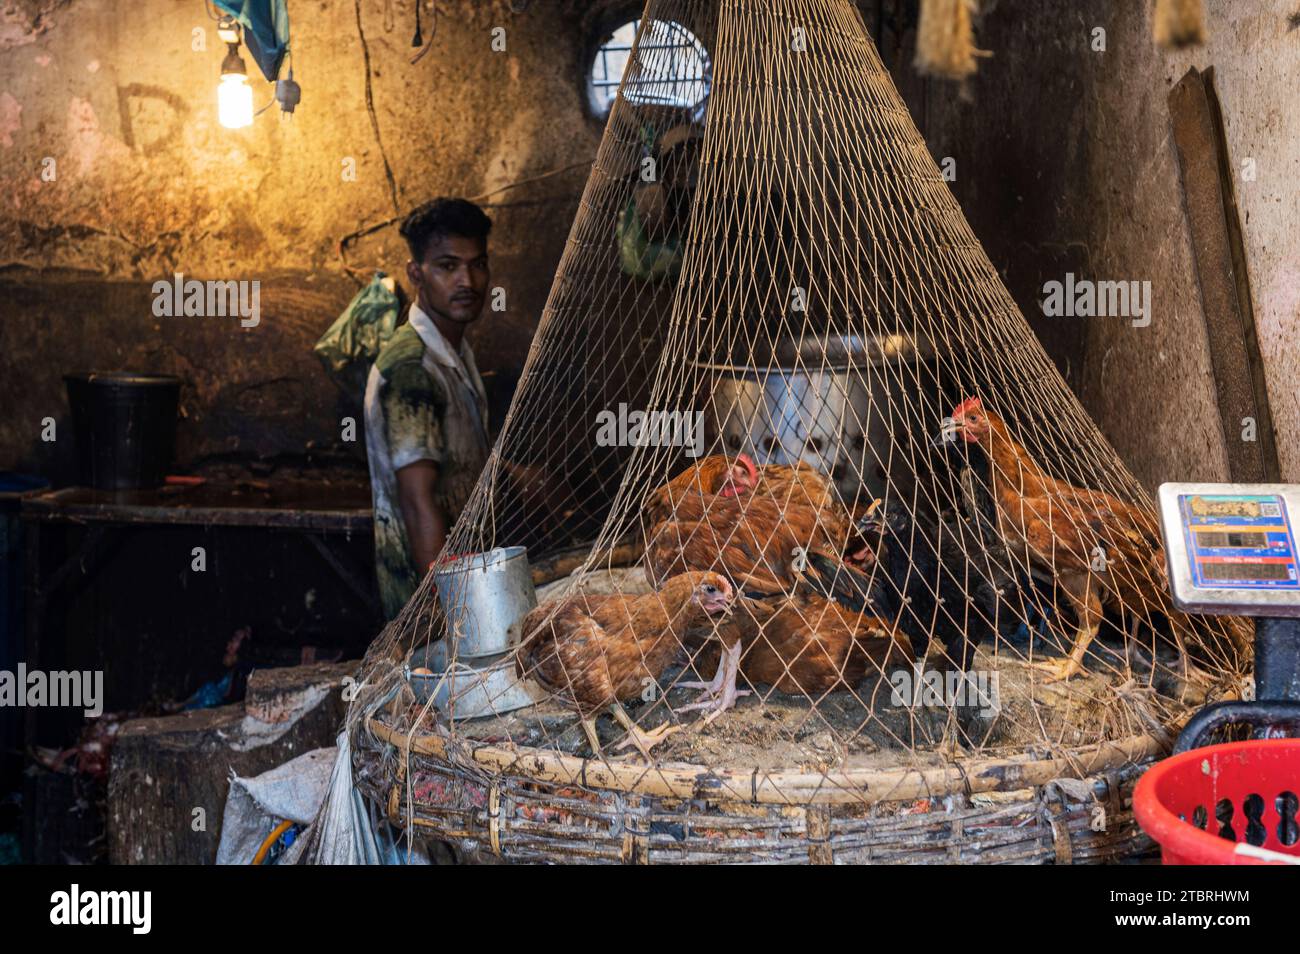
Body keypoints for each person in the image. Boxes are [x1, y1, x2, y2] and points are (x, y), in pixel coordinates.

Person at [364, 198, 492, 620]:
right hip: (428, 602)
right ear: (416, 273)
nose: (467, 281)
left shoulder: (454, 353)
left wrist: (518, 475)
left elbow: (454, 451)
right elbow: (418, 501)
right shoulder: (411, 370)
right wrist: (449, 615)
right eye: (447, 266)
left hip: (466, 577)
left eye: (477, 265)